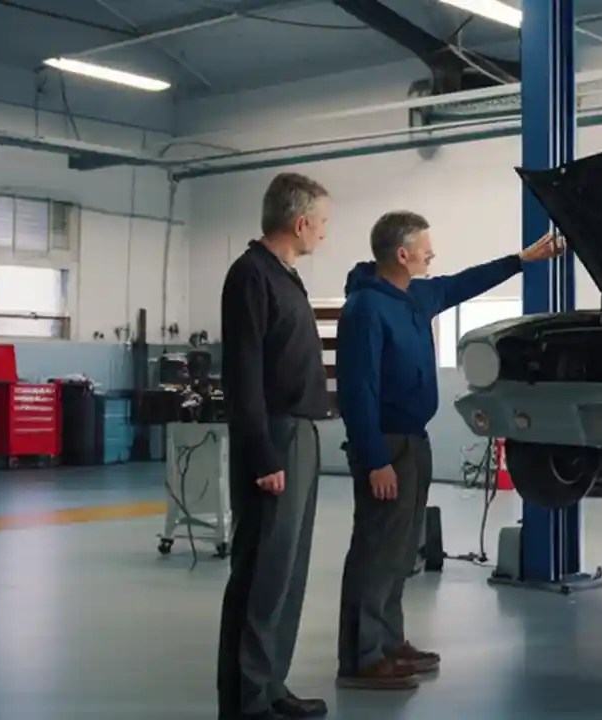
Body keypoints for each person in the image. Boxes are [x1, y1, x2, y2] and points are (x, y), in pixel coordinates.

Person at [334, 210, 564, 690]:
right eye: (425, 248)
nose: (432, 254)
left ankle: (389, 642)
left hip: (413, 440)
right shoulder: (365, 308)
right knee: (377, 550)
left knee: (400, 551)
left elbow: (464, 284)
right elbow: (358, 392)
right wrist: (375, 458)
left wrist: (523, 260)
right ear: (402, 254)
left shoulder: (415, 295)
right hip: (386, 444)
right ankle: (361, 658)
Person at [217, 172, 333, 720]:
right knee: (262, 572)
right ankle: (245, 700)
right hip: (275, 438)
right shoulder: (250, 276)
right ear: (300, 220)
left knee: (288, 570)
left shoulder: (285, 276)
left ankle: (270, 683)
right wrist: (262, 454)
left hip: (301, 432)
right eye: (324, 222)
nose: (325, 234)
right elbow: (243, 375)